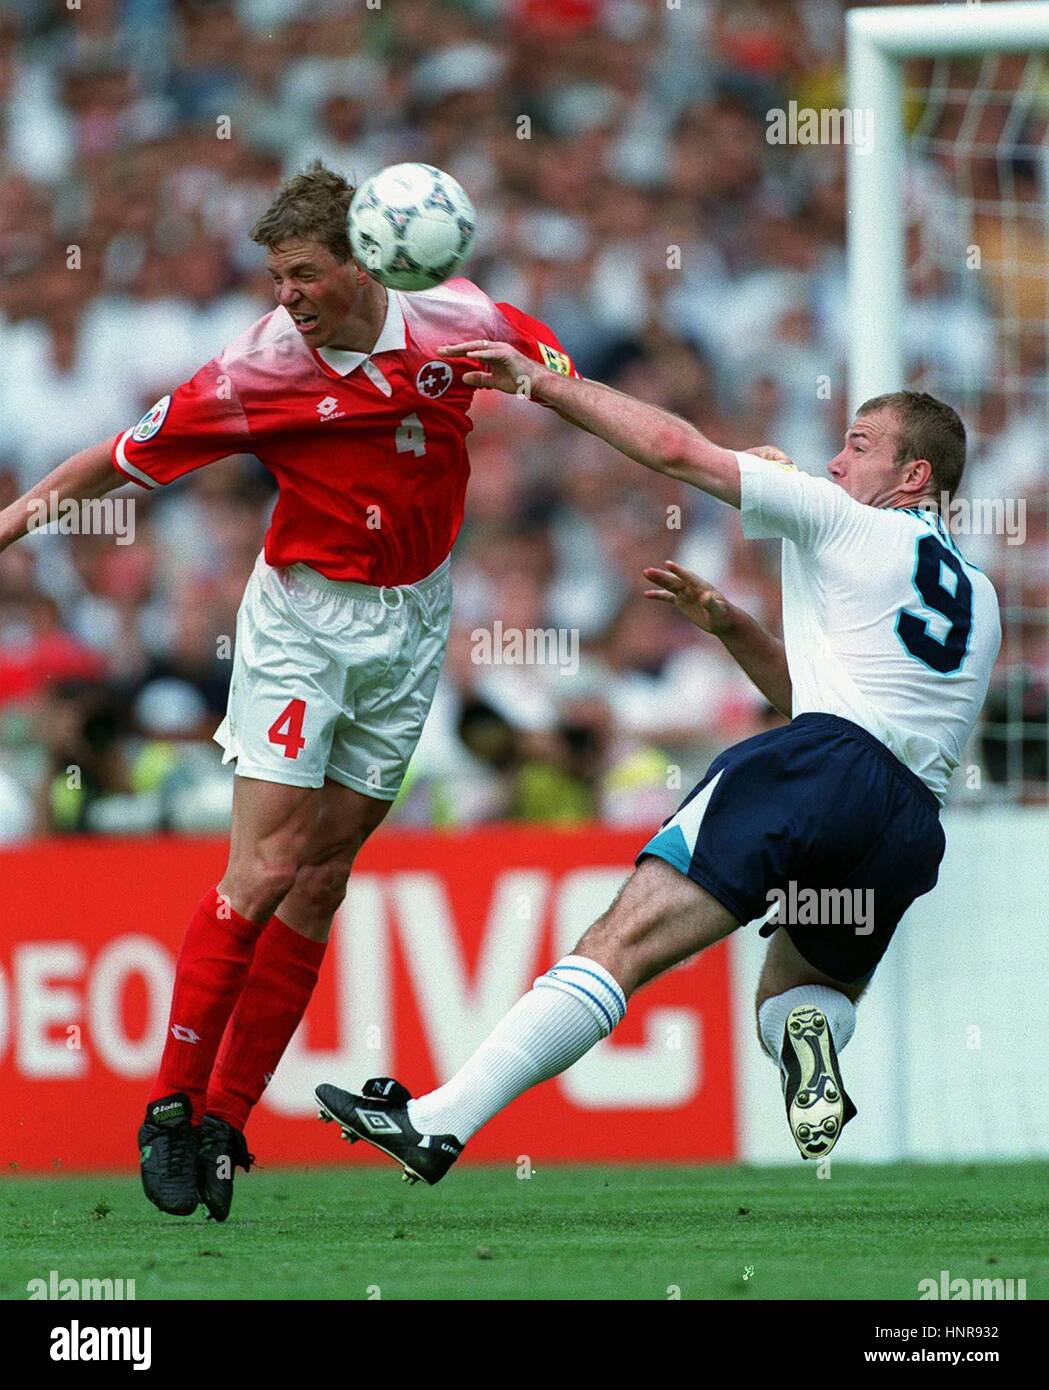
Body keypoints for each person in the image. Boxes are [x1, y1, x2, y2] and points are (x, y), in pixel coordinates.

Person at [0, 164, 576, 1219]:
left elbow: (565, 383)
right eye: (275, 277)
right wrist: (8, 526)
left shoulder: (457, 316)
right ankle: (169, 1108)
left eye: (303, 274)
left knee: (321, 878)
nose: (287, 296)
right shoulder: (256, 369)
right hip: (302, 626)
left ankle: (228, 1116)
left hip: (412, 624)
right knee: (264, 866)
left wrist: (705, 457)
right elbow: (106, 462)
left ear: (365, 261)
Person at [315, 344, 1001, 1185]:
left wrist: (542, 385)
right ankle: (808, 1043)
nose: (834, 457)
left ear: (913, 473)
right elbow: (824, 696)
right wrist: (730, 626)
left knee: (619, 943)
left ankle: (436, 1122)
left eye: (859, 444)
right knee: (793, 998)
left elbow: (677, 451)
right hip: (903, 825)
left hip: (817, 766)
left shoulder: (842, 517)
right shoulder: (979, 593)